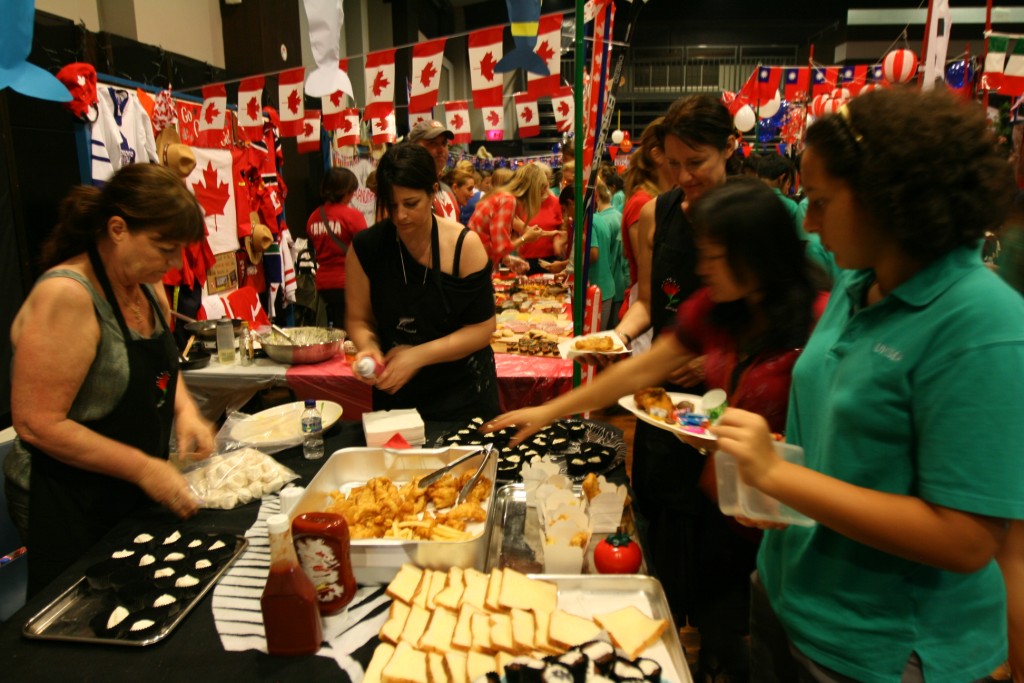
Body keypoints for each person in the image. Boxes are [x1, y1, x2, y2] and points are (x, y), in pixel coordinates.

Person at [713, 87, 1024, 682]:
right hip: (787, 597)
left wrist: (780, 475)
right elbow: (851, 447)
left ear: (889, 200)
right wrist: (776, 485)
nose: (808, 219)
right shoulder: (859, 283)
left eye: (823, 201)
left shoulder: (983, 324)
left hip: (876, 650)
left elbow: (965, 540)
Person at [486, 179, 828, 682]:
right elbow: (641, 370)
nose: (701, 267)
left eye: (713, 255)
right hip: (732, 498)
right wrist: (551, 410)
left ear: (754, 253)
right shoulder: (718, 305)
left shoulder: (819, 316)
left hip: (802, 511)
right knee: (731, 629)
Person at [7, 163, 216, 596]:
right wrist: (142, 467)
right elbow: (36, 423)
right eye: (164, 247)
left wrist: (186, 412)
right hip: (71, 502)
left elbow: (159, 373)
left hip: (130, 493)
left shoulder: (146, 286)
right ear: (118, 228)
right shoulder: (67, 296)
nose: (175, 263)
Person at [346, 143, 499, 422]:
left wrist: (416, 356)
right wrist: (368, 347)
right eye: (391, 205)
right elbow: (359, 320)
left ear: (432, 192)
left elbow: (482, 328)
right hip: (397, 395)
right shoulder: (366, 247)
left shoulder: (464, 245)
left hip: (463, 394)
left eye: (410, 204)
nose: (400, 215)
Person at [305, 166, 368, 328]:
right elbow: (366, 248)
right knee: (354, 327)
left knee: (337, 326)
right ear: (345, 191)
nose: (352, 196)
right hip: (348, 282)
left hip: (324, 284)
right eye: (351, 192)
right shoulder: (353, 216)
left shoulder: (313, 217)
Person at [468, 162, 550, 272]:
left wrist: (507, 259)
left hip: (475, 262)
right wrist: (525, 238)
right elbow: (501, 248)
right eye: (542, 190)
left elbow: (491, 243)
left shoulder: (503, 196)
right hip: (476, 267)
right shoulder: (508, 200)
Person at [407, 119, 460, 221]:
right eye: (432, 143)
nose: (441, 150)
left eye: (444, 143)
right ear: (413, 147)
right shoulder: (405, 192)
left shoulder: (446, 190)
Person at [591, 175, 625, 329]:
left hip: (605, 285)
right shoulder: (618, 216)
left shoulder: (599, 220)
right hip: (618, 283)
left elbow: (600, 256)